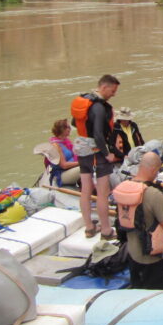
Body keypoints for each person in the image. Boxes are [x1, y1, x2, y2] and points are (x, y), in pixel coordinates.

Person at [121, 152, 163, 290]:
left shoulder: (124, 187)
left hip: (132, 253)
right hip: (151, 259)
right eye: (157, 171)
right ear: (154, 170)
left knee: (138, 290)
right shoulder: (154, 194)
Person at [71, 74, 120, 239]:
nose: (114, 94)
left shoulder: (84, 101)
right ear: (104, 87)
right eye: (112, 91)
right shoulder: (98, 107)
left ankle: (89, 228)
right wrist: (107, 154)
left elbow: (73, 123)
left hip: (81, 148)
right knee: (102, 193)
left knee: (85, 190)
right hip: (95, 152)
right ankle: (106, 230)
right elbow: (99, 134)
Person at [47, 119, 80, 187]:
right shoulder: (56, 145)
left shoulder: (66, 141)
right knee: (86, 167)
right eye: (68, 127)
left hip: (70, 169)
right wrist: (81, 163)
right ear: (62, 129)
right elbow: (64, 165)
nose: (70, 129)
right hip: (62, 174)